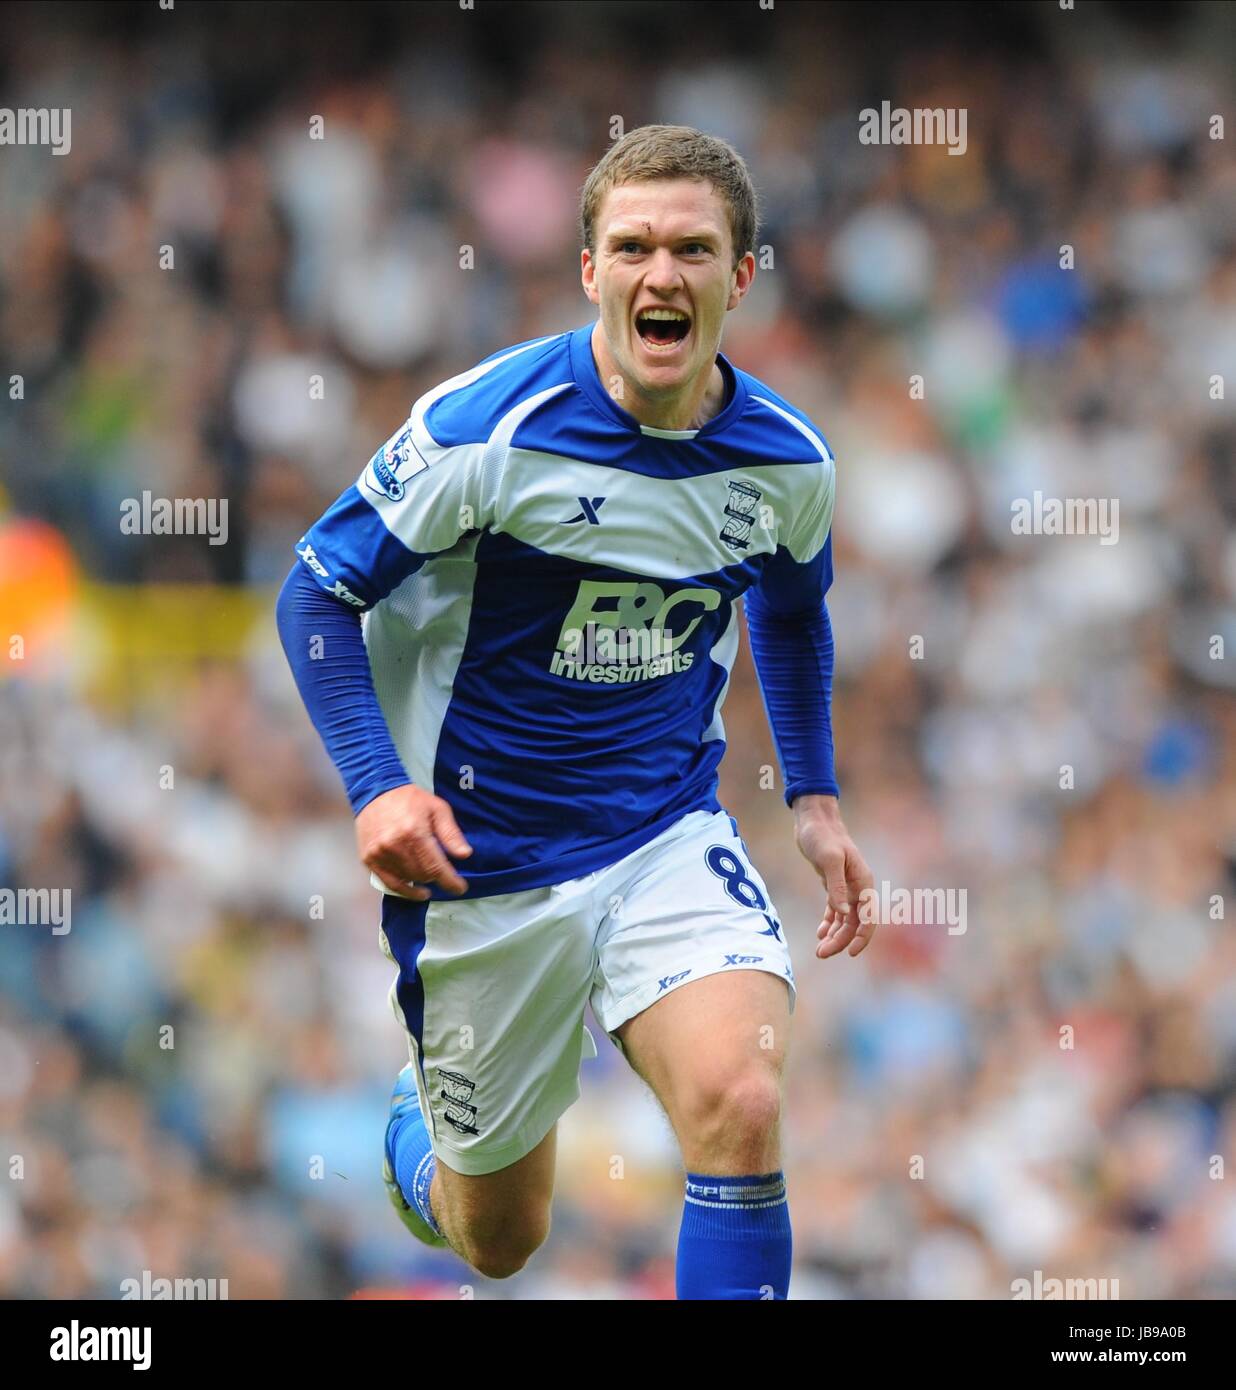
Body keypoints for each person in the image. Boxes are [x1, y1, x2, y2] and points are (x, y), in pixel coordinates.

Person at [276, 123, 875, 1300]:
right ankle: (417, 1129)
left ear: (742, 276)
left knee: (742, 1097)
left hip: (663, 833)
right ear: (591, 271)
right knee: (500, 1239)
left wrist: (814, 798)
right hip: (483, 867)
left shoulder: (789, 464)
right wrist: (377, 788)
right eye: (634, 247)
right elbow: (317, 592)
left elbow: (794, 610)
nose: (663, 273)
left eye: (694, 250)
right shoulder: (482, 430)